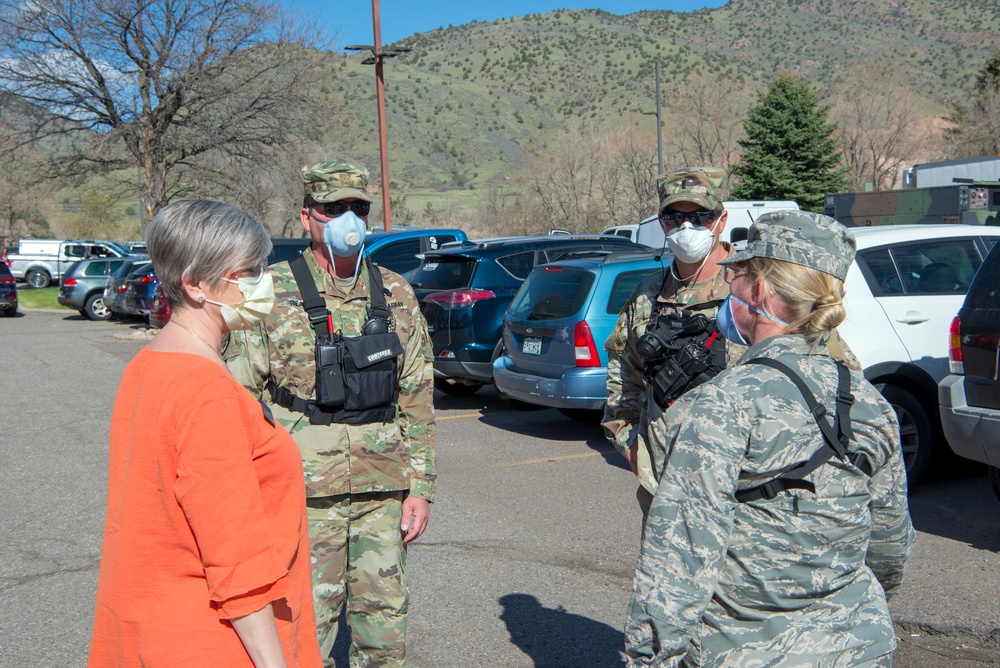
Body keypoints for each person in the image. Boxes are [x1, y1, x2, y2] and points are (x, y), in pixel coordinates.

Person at [624, 211, 916, 667]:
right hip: (859, 646)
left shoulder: (720, 405)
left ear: (758, 289)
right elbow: (891, 547)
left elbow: (679, 559)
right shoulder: (871, 402)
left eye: (737, 274)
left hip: (743, 652)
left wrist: (649, 659)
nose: (730, 287)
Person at [88, 200, 322, 667]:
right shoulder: (206, 391)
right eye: (248, 272)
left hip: (148, 624)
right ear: (195, 283)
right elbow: (236, 556)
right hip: (210, 641)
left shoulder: (148, 365)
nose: (263, 281)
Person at [225, 161, 436, 667]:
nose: (348, 219)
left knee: (384, 634)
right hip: (300, 493)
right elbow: (238, 397)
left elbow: (417, 396)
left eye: (358, 208)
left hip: (382, 493)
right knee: (303, 631)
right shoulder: (269, 291)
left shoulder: (397, 292)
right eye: (332, 208)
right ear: (306, 217)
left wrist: (421, 488)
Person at [603, 167, 738, 518]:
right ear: (662, 224)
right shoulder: (648, 294)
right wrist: (631, 446)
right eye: (675, 217)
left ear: (721, 220)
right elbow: (622, 376)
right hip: (663, 491)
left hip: (739, 495)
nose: (686, 227)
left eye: (700, 216)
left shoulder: (753, 291)